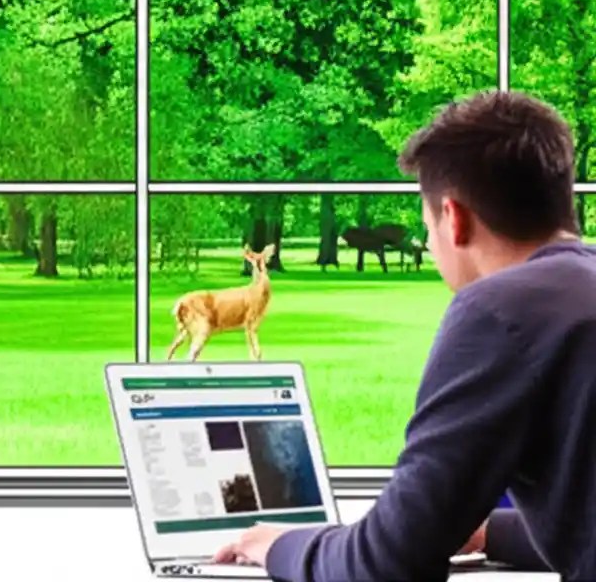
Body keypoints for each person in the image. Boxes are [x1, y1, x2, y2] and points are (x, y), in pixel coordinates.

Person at [213, 90, 596, 581]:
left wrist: (277, 546)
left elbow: (386, 564)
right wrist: (488, 532)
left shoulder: (499, 311)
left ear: (453, 219)